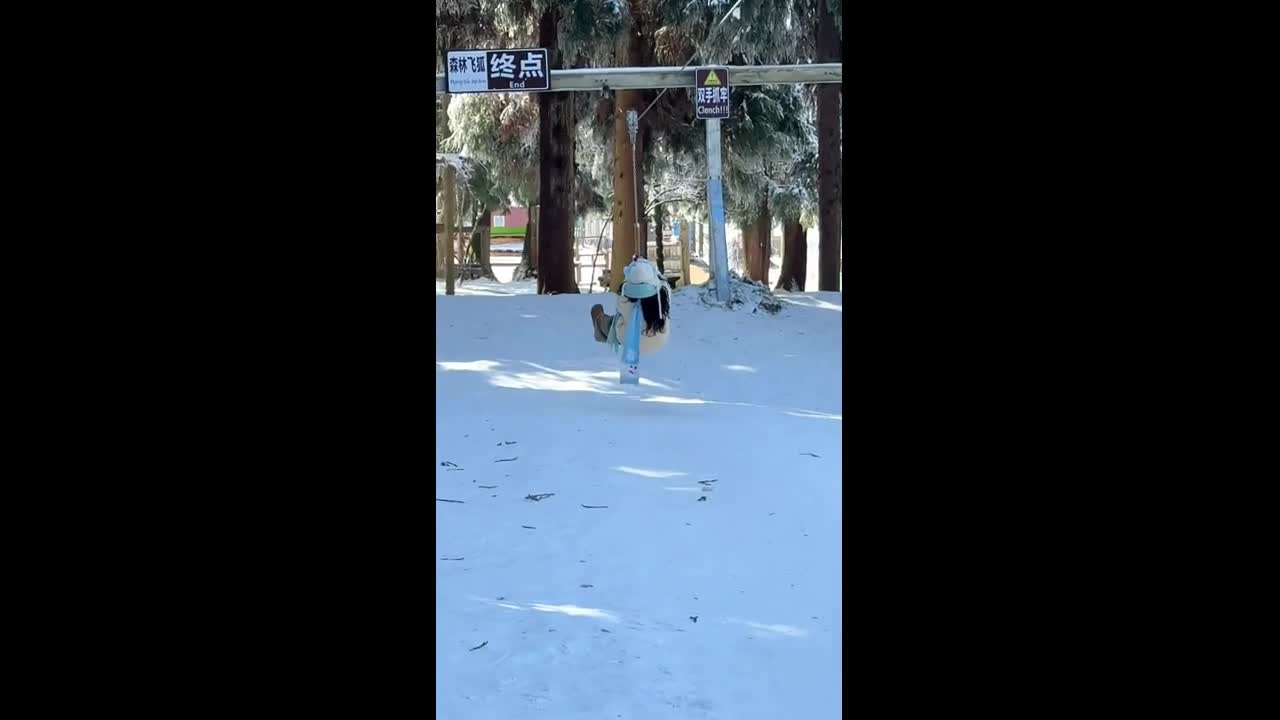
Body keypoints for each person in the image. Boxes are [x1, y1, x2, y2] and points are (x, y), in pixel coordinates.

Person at [590, 256, 671, 355]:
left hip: (628, 338)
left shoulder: (624, 300)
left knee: (613, 322)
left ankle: (600, 326)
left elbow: (620, 302)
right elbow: (663, 282)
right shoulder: (661, 297)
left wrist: (633, 273)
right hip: (658, 340)